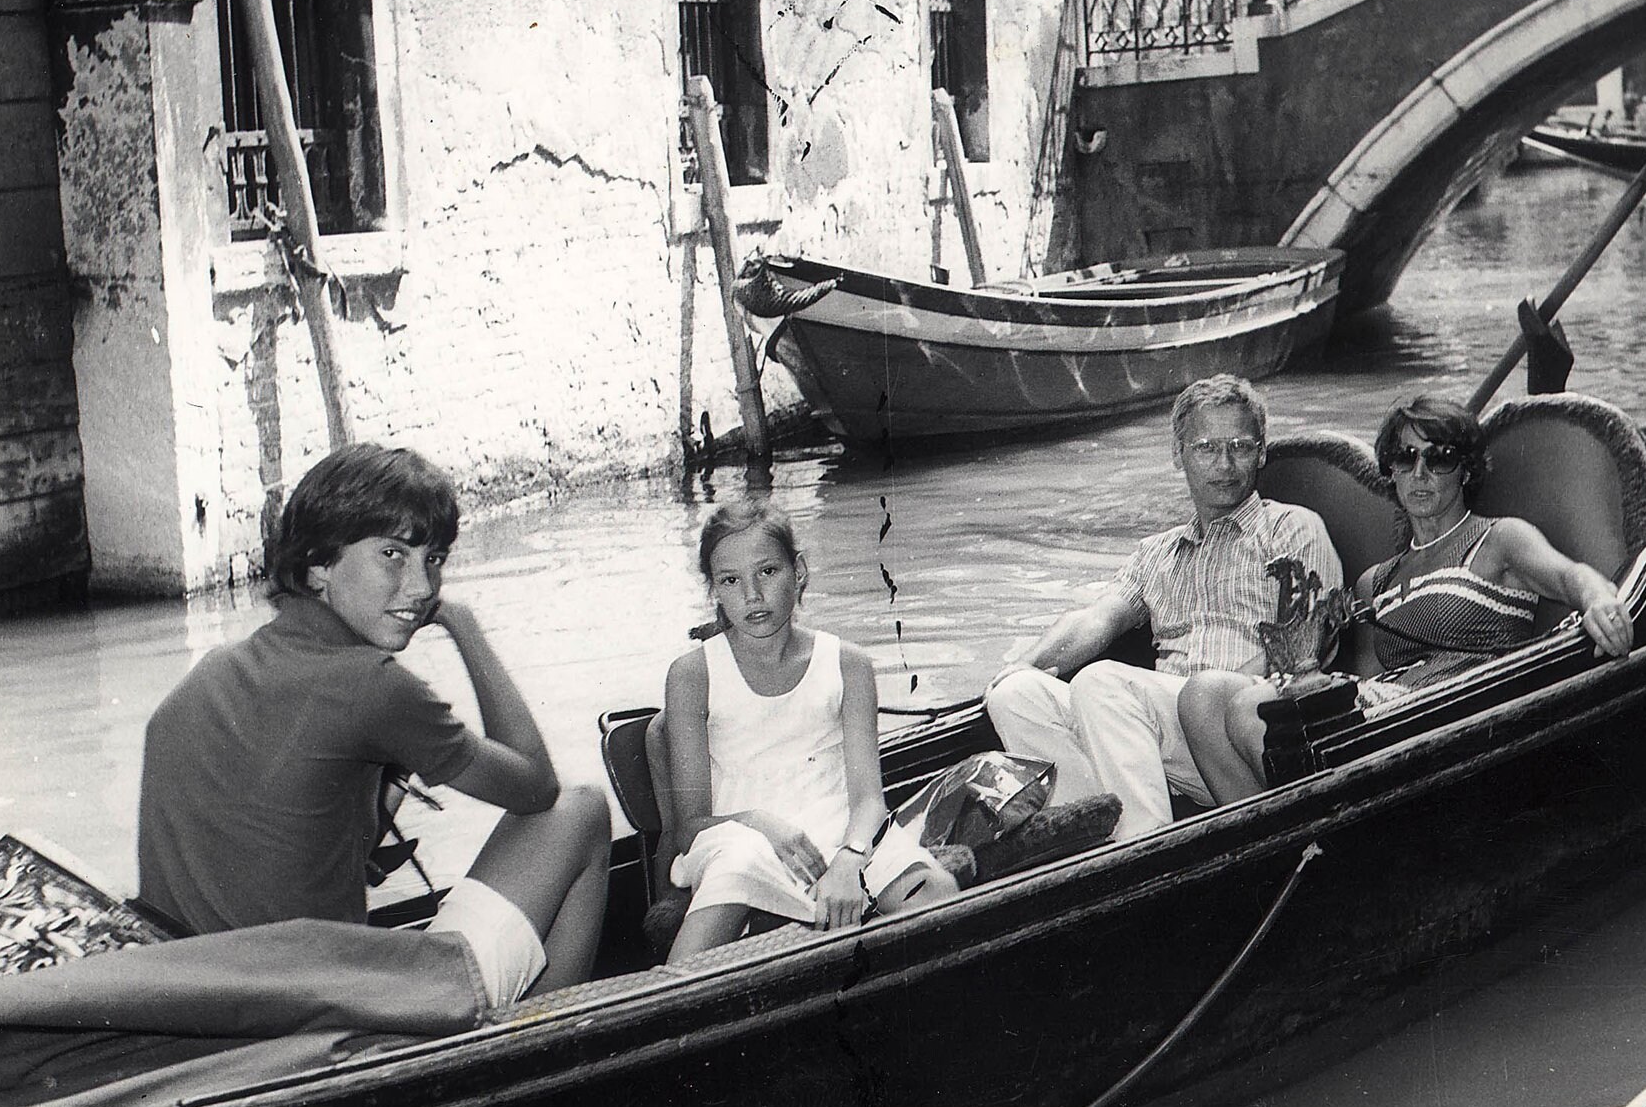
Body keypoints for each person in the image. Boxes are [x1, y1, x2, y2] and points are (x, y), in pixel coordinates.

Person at [135, 444, 611, 1005]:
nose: (422, 587)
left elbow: (287, 851)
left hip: (216, 1003)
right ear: (319, 567)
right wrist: (464, 626)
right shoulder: (372, 684)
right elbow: (536, 787)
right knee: (582, 810)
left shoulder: (209, 674)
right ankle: (554, 1037)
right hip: (326, 1011)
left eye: (434, 559)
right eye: (392, 554)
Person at [1178, 396, 1635, 808]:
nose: (1420, 474)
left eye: (1440, 459)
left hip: (1456, 715)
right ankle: (1267, 843)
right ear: (1391, 470)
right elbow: (1363, 680)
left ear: (1466, 470)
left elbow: (1570, 575)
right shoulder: (1374, 581)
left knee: (1248, 709)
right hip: (1385, 721)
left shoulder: (1498, 540)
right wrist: (1316, 645)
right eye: (1406, 457)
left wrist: (1599, 600)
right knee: (1202, 696)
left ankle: (1295, 837)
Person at [983, 375, 1344, 840]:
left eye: (1239, 446)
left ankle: (1141, 843)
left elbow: (1305, 645)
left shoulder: (1293, 528)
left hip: (1235, 724)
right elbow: (1096, 619)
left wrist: (1212, 696)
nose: (1225, 463)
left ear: (1261, 452)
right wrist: (1024, 663)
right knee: (1015, 694)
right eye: (1206, 448)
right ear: (1179, 455)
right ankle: (1089, 832)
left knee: (1102, 680)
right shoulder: (1157, 552)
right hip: (1149, 724)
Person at [652, 498, 956, 965]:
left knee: (938, 890)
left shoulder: (848, 664)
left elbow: (868, 800)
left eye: (768, 572)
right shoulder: (693, 675)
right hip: (740, 840)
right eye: (731, 581)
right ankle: (670, 996)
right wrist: (761, 824)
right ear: (714, 589)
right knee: (738, 863)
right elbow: (688, 826)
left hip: (839, 833)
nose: (752, 595)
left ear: (799, 572)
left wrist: (850, 861)